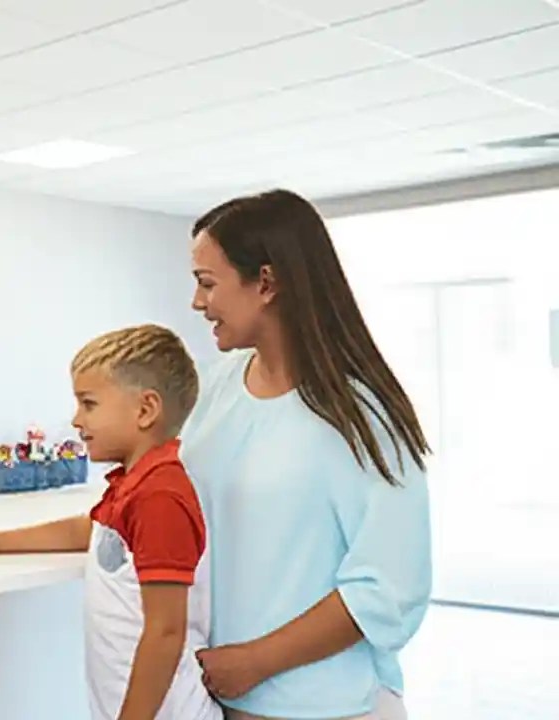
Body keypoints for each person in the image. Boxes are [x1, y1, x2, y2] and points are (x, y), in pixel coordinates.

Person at [182, 189, 432, 720]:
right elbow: (166, 501)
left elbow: (387, 589)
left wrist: (255, 661)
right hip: (223, 697)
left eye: (208, 284)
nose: (197, 303)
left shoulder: (362, 418)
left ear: (266, 283)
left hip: (331, 706)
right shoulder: (213, 392)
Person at [0, 325, 221, 720]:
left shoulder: (161, 498)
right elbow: (92, 532)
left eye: (88, 404)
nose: (76, 420)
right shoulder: (134, 483)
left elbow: (165, 632)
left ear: (145, 410)